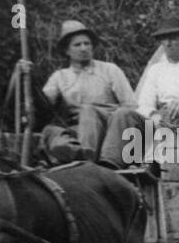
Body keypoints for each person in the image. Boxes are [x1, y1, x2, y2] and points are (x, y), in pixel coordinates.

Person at [36, 19, 143, 166]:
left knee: (96, 111)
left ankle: (97, 161)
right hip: (79, 130)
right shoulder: (60, 77)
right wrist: (30, 77)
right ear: (67, 51)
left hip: (111, 125)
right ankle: (81, 155)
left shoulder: (109, 70)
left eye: (87, 44)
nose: (83, 48)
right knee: (53, 132)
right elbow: (44, 105)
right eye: (77, 45)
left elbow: (130, 105)